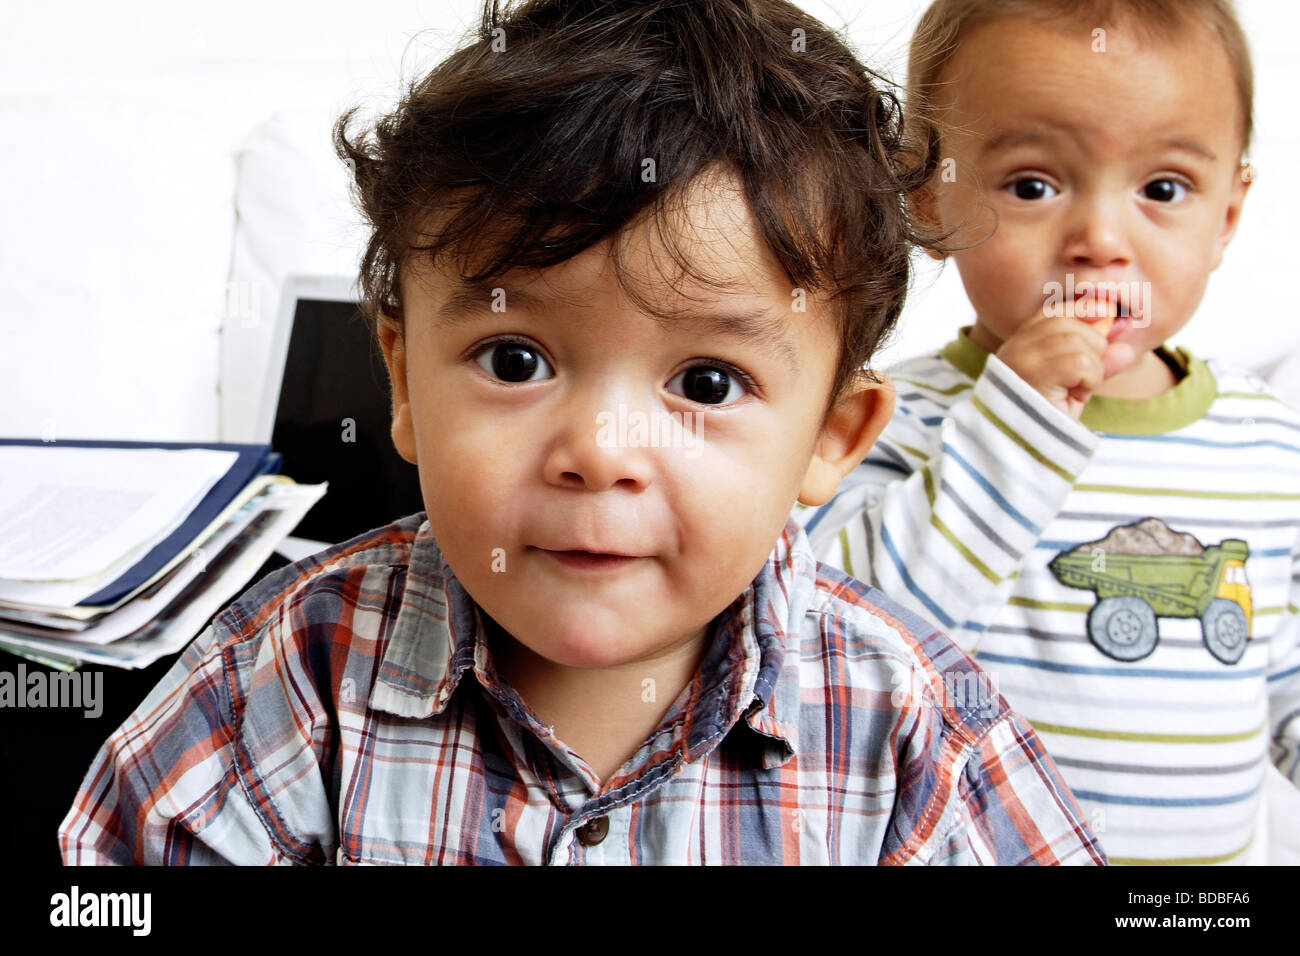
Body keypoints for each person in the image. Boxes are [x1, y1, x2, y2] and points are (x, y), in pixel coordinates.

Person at [59, 0, 1102, 865]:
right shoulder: (287, 677)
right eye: (515, 361)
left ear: (833, 435)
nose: (599, 450)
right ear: (404, 380)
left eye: (706, 382)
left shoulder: (911, 725)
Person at [797, 0, 1300, 865]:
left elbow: (1284, 671)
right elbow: (844, 643)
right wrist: (1014, 424)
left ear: (1225, 216)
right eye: (1032, 185)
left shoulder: (1267, 438)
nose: (1100, 241)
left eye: (1163, 189)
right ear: (927, 197)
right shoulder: (884, 416)